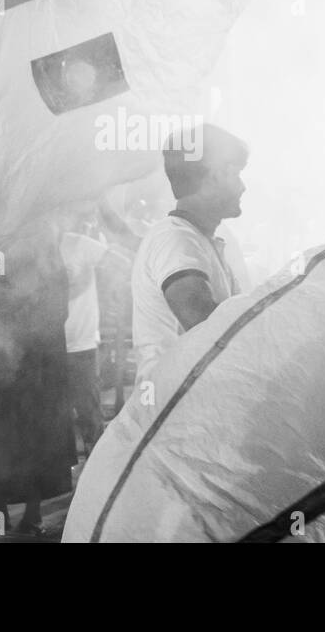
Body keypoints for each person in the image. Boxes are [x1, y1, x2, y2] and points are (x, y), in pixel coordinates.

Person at [0, 218, 75, 537]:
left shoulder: (1, 249)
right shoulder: (45, 250)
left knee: (4, 435)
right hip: (33, 365)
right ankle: (29, 515)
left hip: (8, 367)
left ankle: (6, 513)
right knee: (31, 437)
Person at [131, 124, 252, 384]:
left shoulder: (200, 241)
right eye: (235, 174)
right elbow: (204, 325)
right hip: (172, 408)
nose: (243, 187)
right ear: (214, 176)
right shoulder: (175, 239)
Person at [59, 208, 109, 456]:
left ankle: (98, 459)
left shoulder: (80, 245)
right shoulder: (35, 251)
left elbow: (118, 265)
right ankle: (63, 467)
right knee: (56, 411)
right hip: (49, 343)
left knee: (88, 406)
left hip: (82, 342)